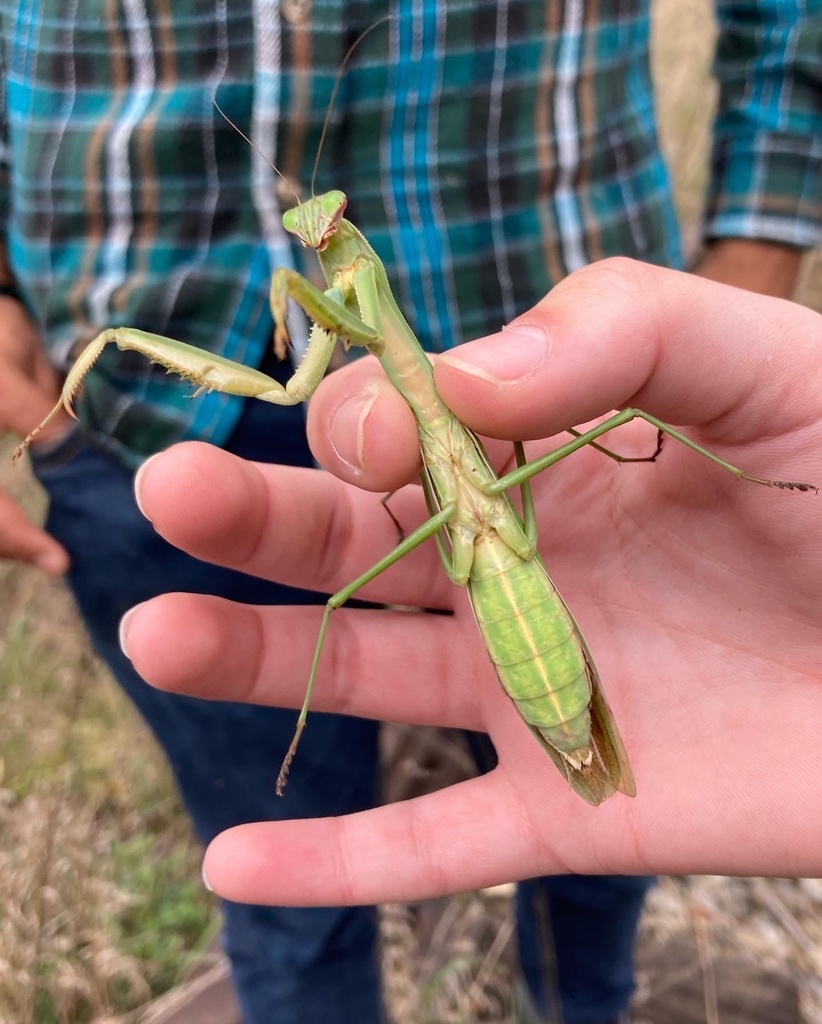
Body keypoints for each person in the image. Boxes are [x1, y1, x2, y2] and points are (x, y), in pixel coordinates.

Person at [1, 3, 819, 1023]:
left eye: (327, 228)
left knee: (594, 866)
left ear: (344, 247)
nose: (312, 228)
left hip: (553, 409)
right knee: (293, 879)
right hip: (151, 434)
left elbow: (303, 382)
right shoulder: (331, 293)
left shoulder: (361, 308)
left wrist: (761, 247)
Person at [122, 260, 822, 895]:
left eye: (327, 234)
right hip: (489, 545)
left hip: (489, 542)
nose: (316, 245)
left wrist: (288, 294)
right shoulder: (357, 319)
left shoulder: (383, 313)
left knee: (342, 594)